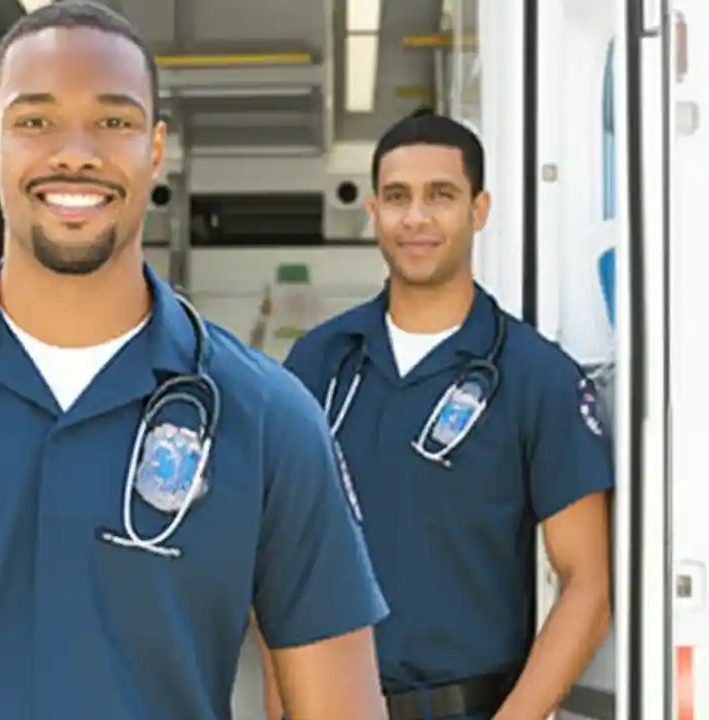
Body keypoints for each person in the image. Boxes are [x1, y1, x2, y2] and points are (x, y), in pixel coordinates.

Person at [0, 3, 390, 719]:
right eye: (36, 120)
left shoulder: (270, 420)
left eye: (114, 121)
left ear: (155, 149)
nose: (75, 151)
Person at [261, 110, 614, 719]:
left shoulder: (536, 378)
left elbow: (589, 582)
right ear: (373, 211)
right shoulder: (319, 362)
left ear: (479, 210)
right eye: (398, 197)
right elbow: (277, 554)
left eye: (441, 196)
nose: (416, 218)